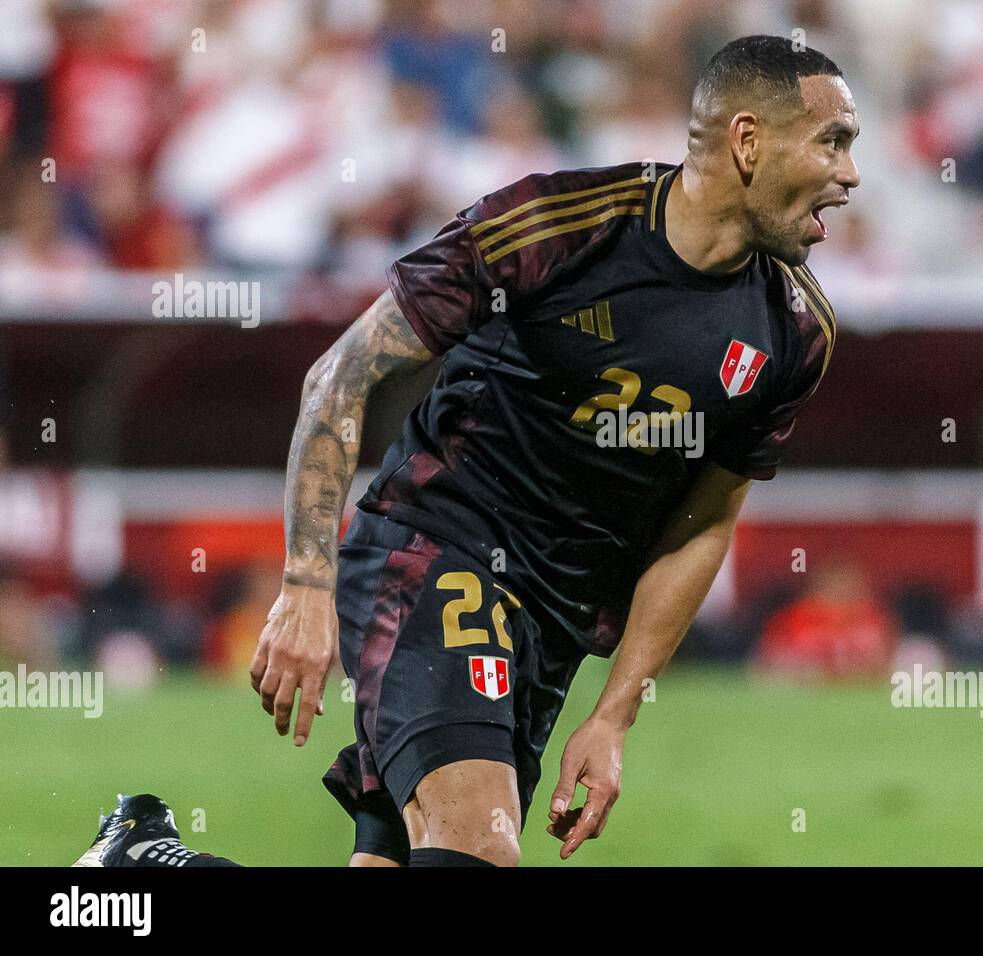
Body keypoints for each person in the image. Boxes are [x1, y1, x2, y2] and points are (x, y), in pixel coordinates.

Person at [79, 34, 858, 868]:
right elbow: (340, 378)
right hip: (437, 549)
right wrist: (305, 581)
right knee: (479, 853)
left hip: (553, 627)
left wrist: (614, 713)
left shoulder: (795, 332)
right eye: (834, 142)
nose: (850, 175)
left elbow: (703, 524)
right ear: (746, 140)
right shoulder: (557, 227)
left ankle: (144, 867)